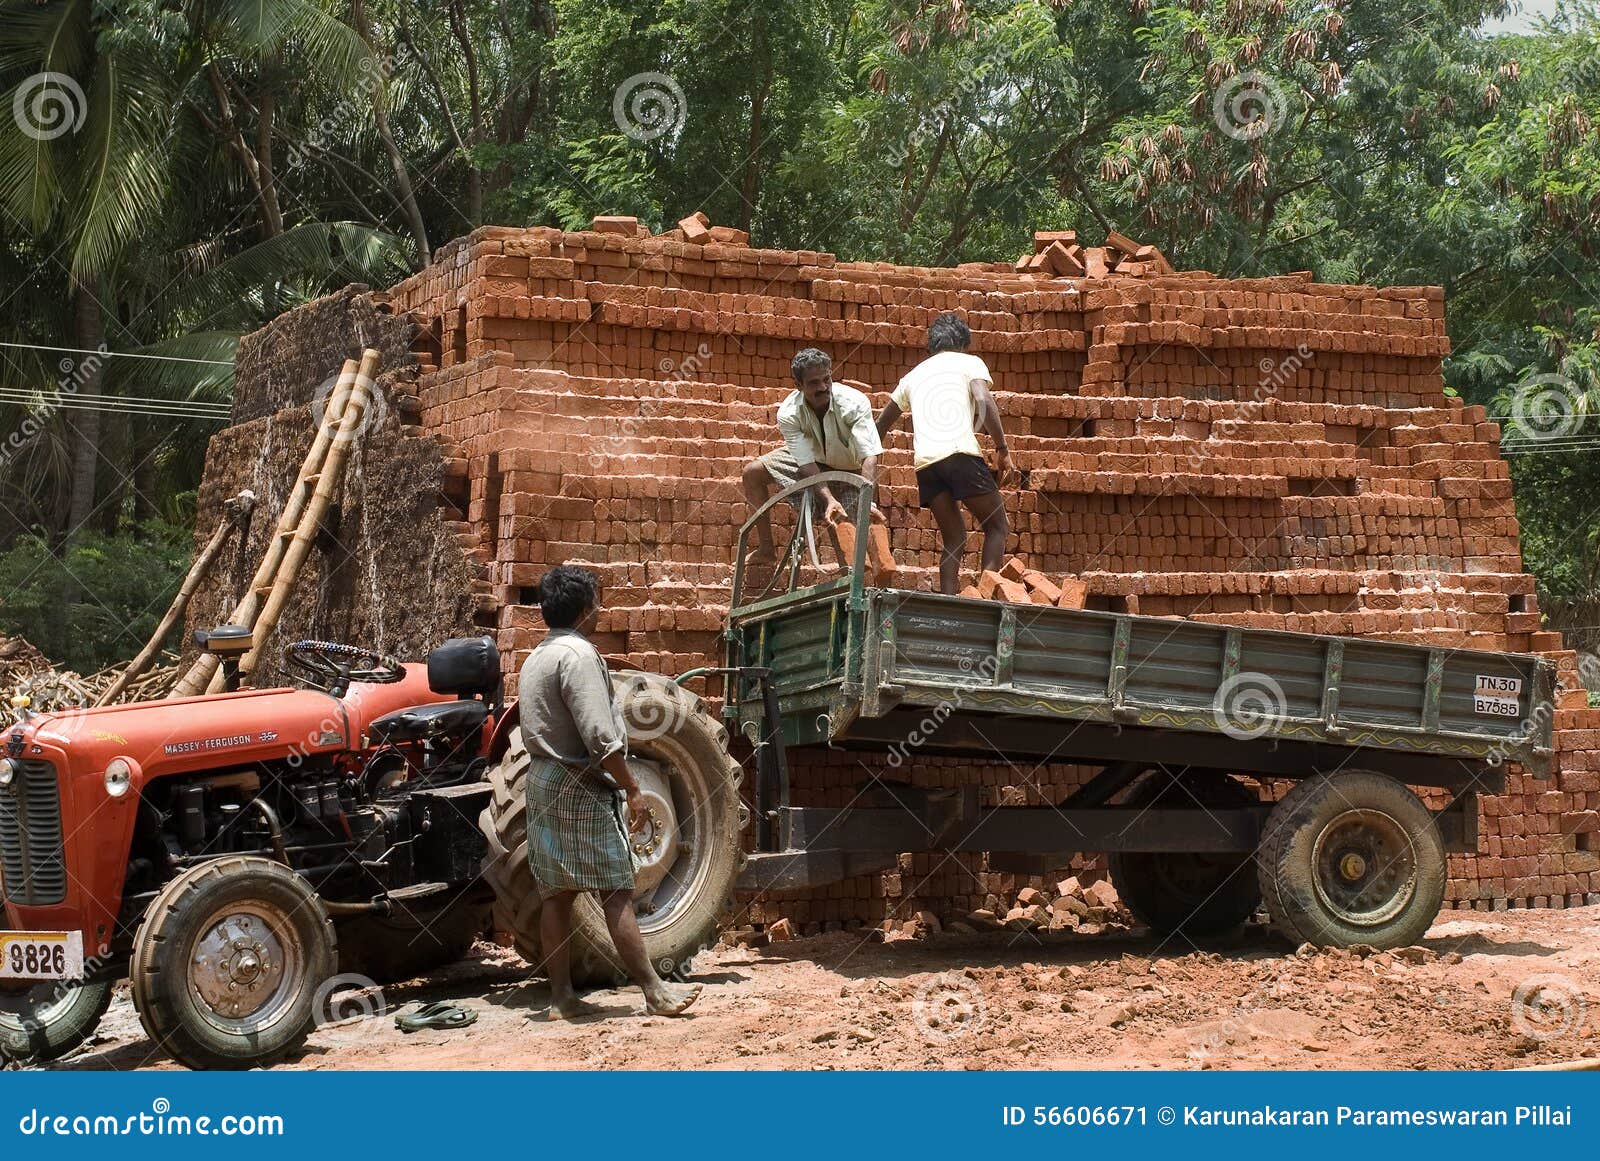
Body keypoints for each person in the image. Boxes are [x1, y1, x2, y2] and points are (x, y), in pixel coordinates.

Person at [517, 565, 701, 1020]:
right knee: (617, 890)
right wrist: (634, 788)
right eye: (596, 602)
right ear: (584, 610)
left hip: (542, 782)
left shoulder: (536, 656)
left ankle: (561, 997)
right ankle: (655, 992)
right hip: (578, 785)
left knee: (556, 895)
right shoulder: (578, 656)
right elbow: (600, 736)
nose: (599, 610)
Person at [876, 312, 1014, 594]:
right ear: (964, 342)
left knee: (954, 540)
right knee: (997, 526)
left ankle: (949, 604)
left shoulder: (912, 375)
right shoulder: (969, 362)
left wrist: (866, 464)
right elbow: (982, 397)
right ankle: (988, 596)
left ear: (932, 345)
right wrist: (1002, 449)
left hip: (926, 466)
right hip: (960, 453)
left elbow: (880, 425)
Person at [741, 347, 883, 565]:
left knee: (845, 539)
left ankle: (850, 580)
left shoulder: (854, 403)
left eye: (826, 379)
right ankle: (767, 550)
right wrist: (828, 499)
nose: (823, 387)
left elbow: (869, 457)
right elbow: (805, 464)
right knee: (752, 472)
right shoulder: (789, 413)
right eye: (814, 383)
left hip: (849, 469)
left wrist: (867, 500)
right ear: (798, 386)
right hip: (813, 463)